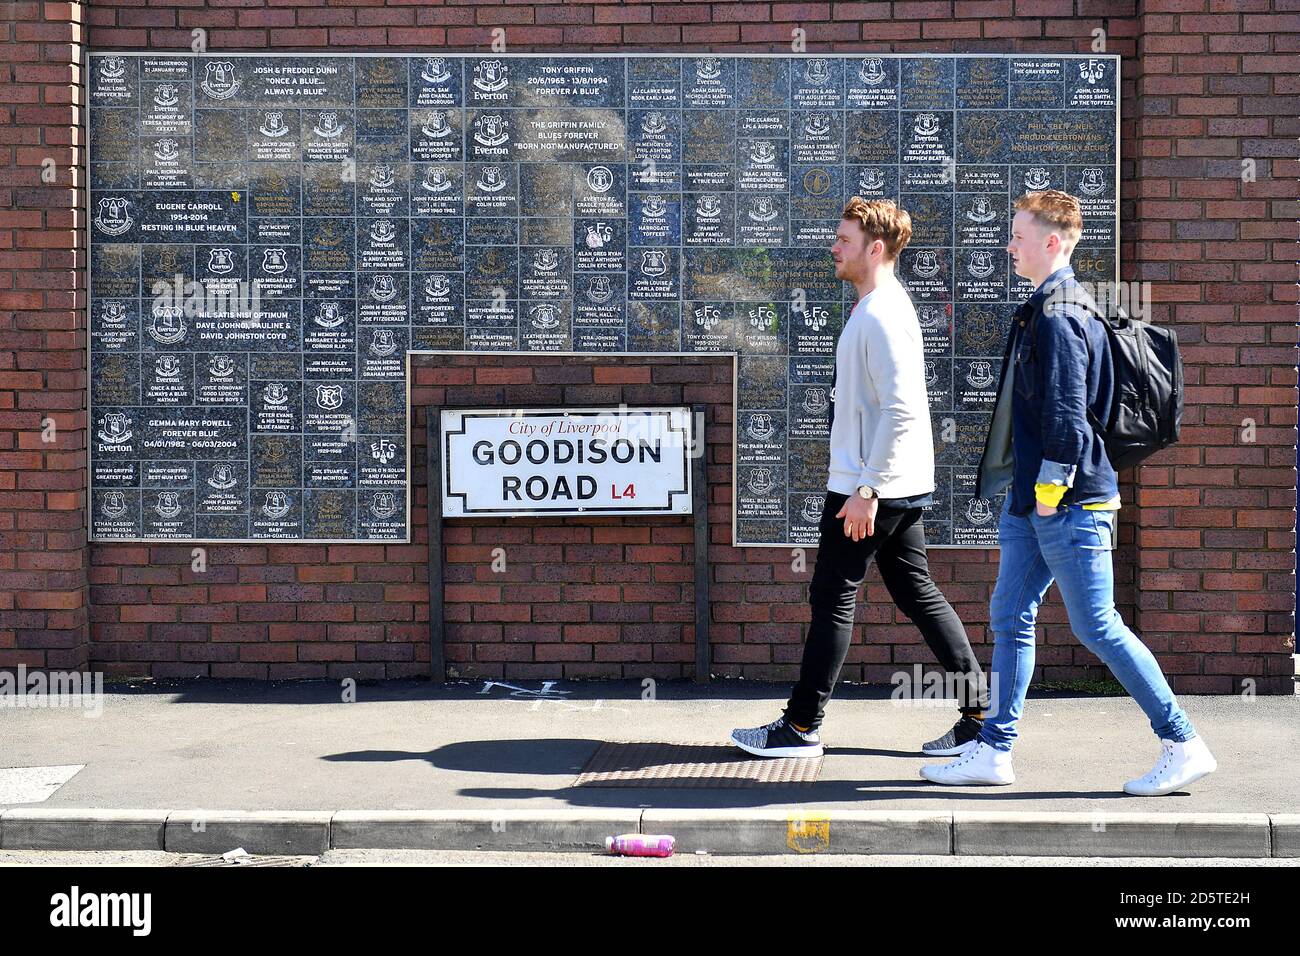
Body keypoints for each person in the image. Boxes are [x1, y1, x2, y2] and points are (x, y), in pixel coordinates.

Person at [920, 189, 1216, 795]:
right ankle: (994, 751)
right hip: (1035, 502)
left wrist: (1052, 491)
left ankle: (1182, 741)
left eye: (1018, 236)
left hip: (1068, 500)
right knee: (1010, 615)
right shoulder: (1050, 307)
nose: (1008, 245)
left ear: (1051, 242)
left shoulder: (1060, 314)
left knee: (1098, 625)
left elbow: (1069, 417)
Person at [730, 197, 988, 759]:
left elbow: (901, 410)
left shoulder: (883, 314)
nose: (834, 247)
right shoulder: (876, 307)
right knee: (917, 593)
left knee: (832, 597)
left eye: (843, 240)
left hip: (871, 489)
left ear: (875, 249)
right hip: (886, 483)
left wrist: (866, 489)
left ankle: (799, 728)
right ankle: (979, 715)